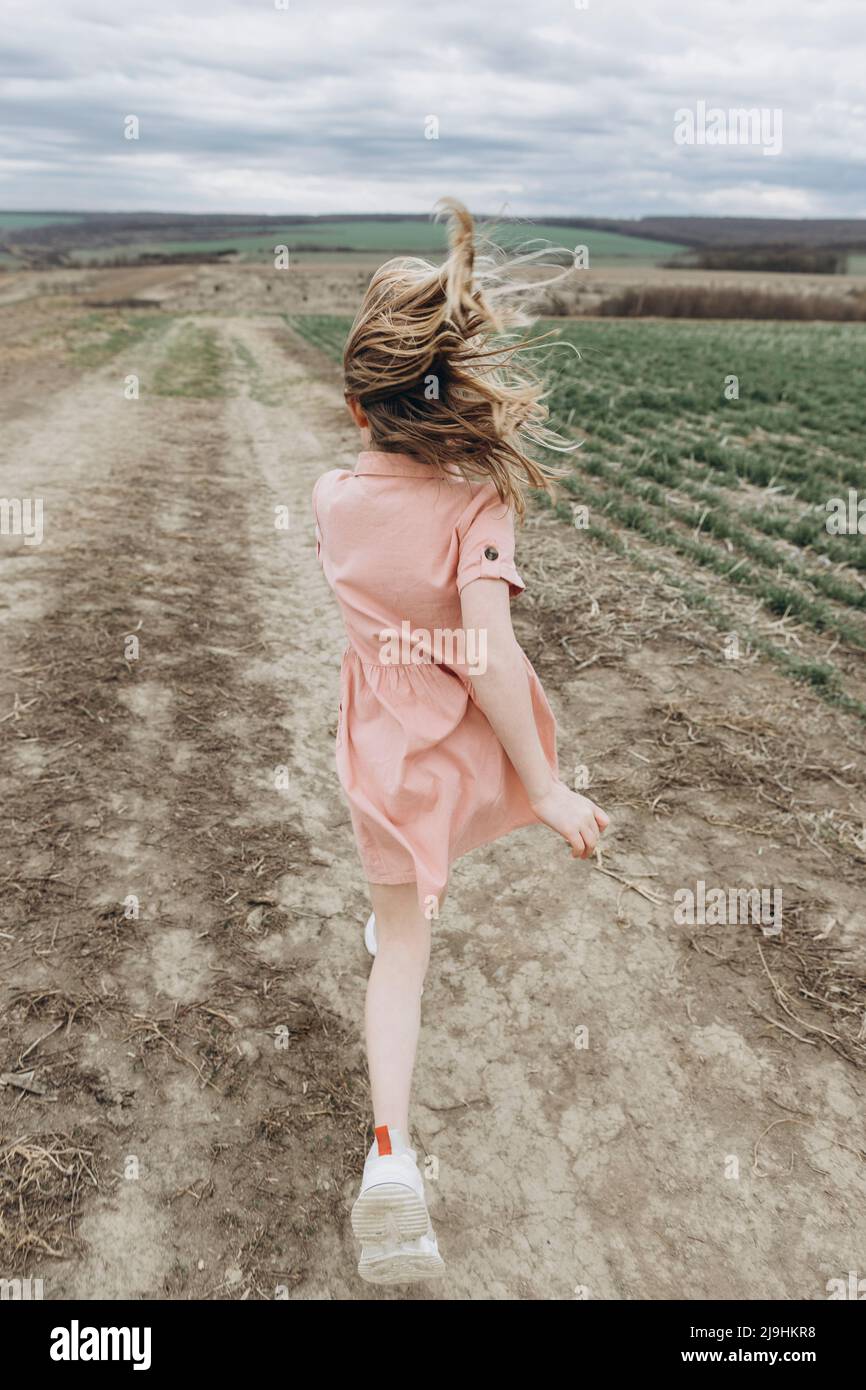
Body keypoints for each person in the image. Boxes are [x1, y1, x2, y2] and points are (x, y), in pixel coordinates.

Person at [312, 199, 609, 1284]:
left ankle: (389, 1161)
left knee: (400, 945)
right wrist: (549, 787)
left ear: (357, 410)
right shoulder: (480, 499)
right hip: (460, 750)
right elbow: (486, 657)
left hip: (381, 752)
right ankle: (414, 898)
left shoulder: (330, 497)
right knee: (411, 912)